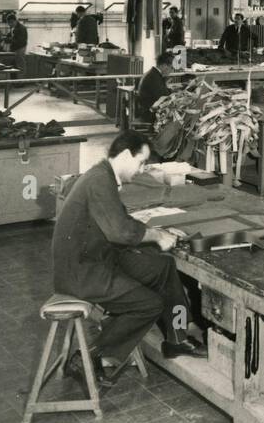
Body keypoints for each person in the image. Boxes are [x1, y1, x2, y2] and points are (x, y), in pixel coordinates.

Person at [52, 132, 206, 388]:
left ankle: (177, 338)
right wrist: (155, 235)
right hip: (82, 272)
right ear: (125, 156)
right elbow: (120, 232)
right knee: (150, 304)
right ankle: (90, 354)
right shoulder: (99, 181)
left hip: (99, 258)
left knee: (164, 266)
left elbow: (121, 222)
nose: (141, 169)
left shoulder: (103, 177)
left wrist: (161, 235)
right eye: (141, 162)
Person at [136, 51, 177, 124]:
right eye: (171, 68)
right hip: (149, 113)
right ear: (164, 65)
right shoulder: (154, 77)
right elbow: (163, 97)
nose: (172, 71)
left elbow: (162, 93)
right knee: (179, 112)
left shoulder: (153, 73)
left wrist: (172, 91)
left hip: (148, 109)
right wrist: (176, 94)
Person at [6, 11, 28, 76]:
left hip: (20, 48)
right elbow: (11, 35)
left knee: (20, 65)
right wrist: (5, 37)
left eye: (11, 23)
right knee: (14, 65)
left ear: (15, 21)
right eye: (9, 23)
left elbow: (19, 41)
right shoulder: (14, 27)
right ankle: (14, 81)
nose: (10, 25)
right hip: (15, 48)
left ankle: (20, 82)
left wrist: (9, 40)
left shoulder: (22, 28)